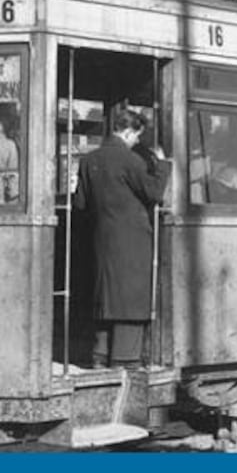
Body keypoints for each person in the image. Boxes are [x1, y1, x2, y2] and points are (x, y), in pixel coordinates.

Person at [74, 108, 171, 368]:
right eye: (136, 136)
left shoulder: (88, 160)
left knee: (105, 297)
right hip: (132, 241)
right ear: (127, 131)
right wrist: (162, 165)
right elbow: (153, 193)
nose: (136, 142)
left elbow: (80, 203)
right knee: (130, 299)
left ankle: (99, 356)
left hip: (101, 239)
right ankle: (125, 360)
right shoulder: (130, 161)